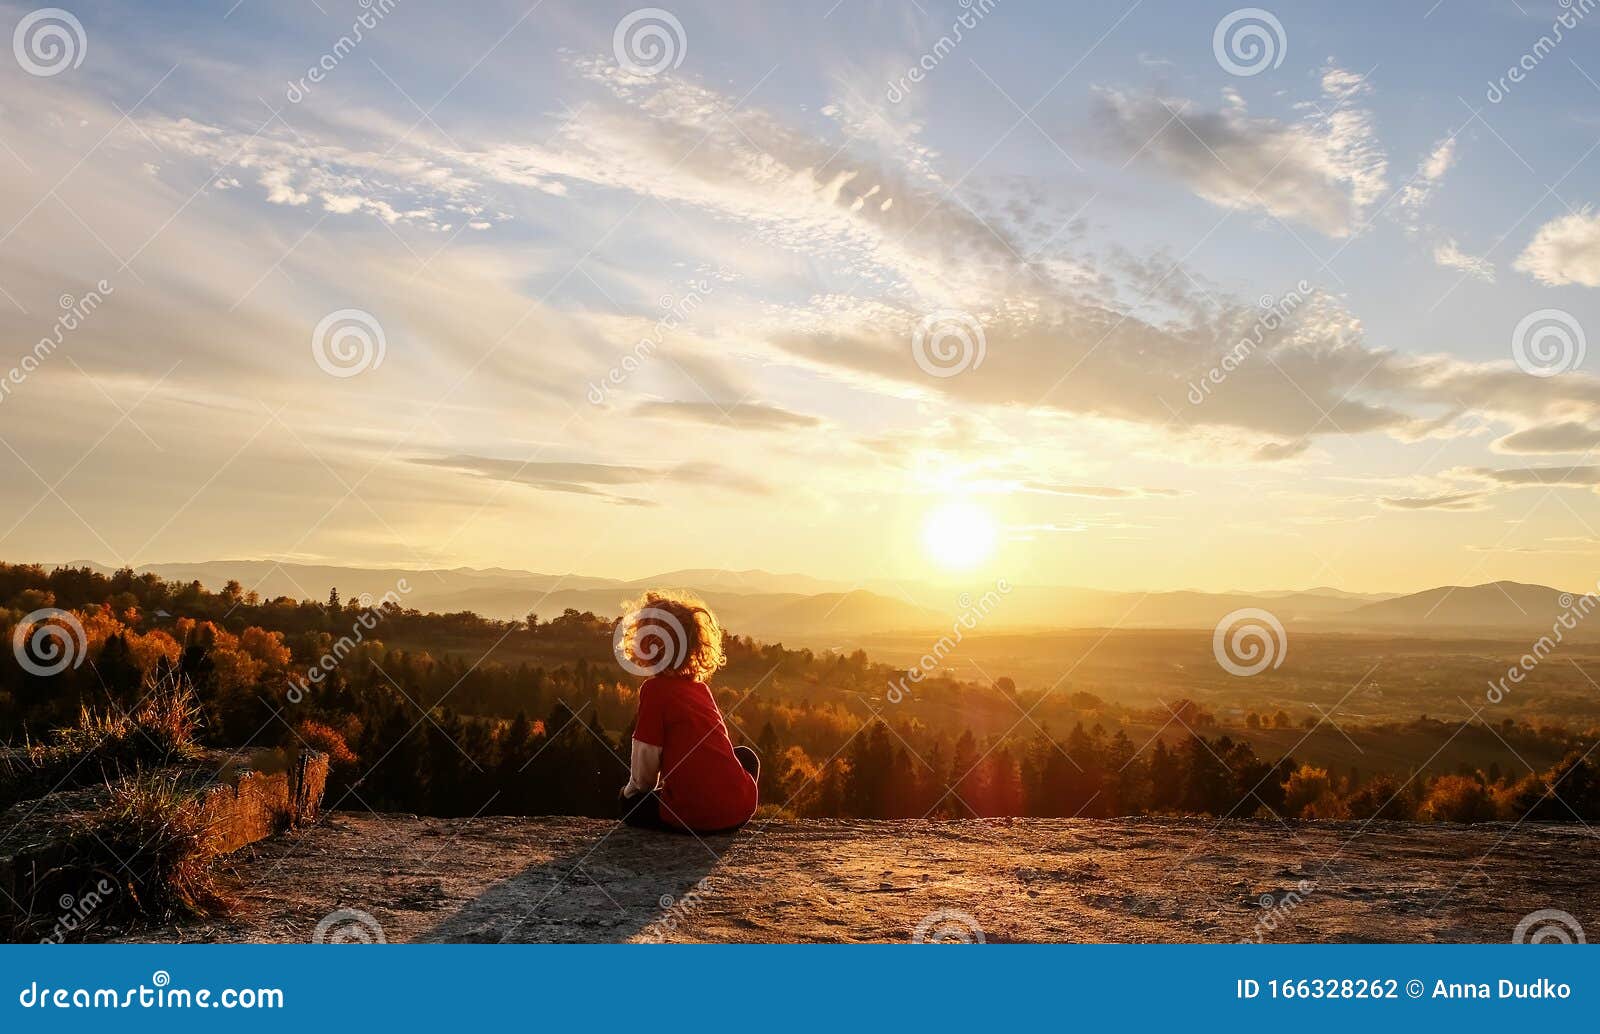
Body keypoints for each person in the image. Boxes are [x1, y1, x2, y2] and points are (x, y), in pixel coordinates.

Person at [616, 591, 759, 833]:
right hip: (739, 811)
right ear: (695, 644)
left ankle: (699, 812)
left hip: (693, 818)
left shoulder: (654, 690)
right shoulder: (700, 689)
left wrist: (631, 792)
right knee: (745, 756)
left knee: (629, 803)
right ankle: (726, 810)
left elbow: (646, 761)